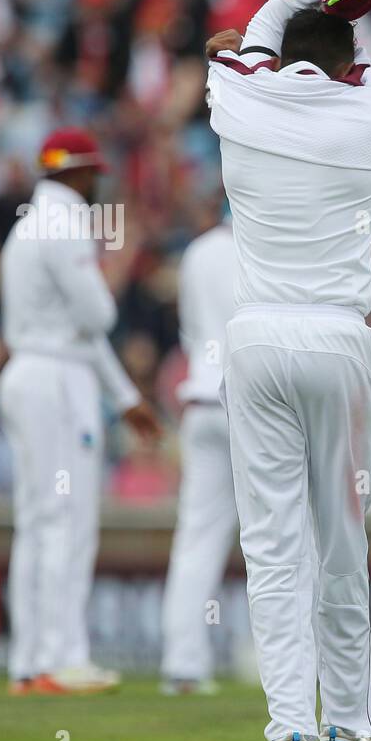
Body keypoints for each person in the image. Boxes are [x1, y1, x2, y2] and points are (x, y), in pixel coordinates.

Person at [205, 0, 371, 741]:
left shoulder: (234, 97)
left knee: (274, 551)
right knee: (340, 545)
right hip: (341, 339)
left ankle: (288, 735)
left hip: (256, 340)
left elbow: (260, 24)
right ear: (352, 65)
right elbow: (297, 35)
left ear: (277, 62)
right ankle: (348, 733)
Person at [0, 127, 160, 695]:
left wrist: (125, 398)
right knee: (68, 519)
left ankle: (30, 661)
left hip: (27, 371)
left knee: (38, 522)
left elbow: (82, 330)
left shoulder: (25, 228)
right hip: (58, 382)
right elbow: (98, 317)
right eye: (92, 175)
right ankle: (62, 659)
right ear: (79, 173)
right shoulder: (68, 224)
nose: (96, 185)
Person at [160, 218, 237, 696]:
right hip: (250, 401)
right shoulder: (272, 238)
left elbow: (190, 330)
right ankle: (324, 671)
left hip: (200, 395)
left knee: (196, 537)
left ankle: (183, 665)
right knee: (293, 537)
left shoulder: (196, 250)